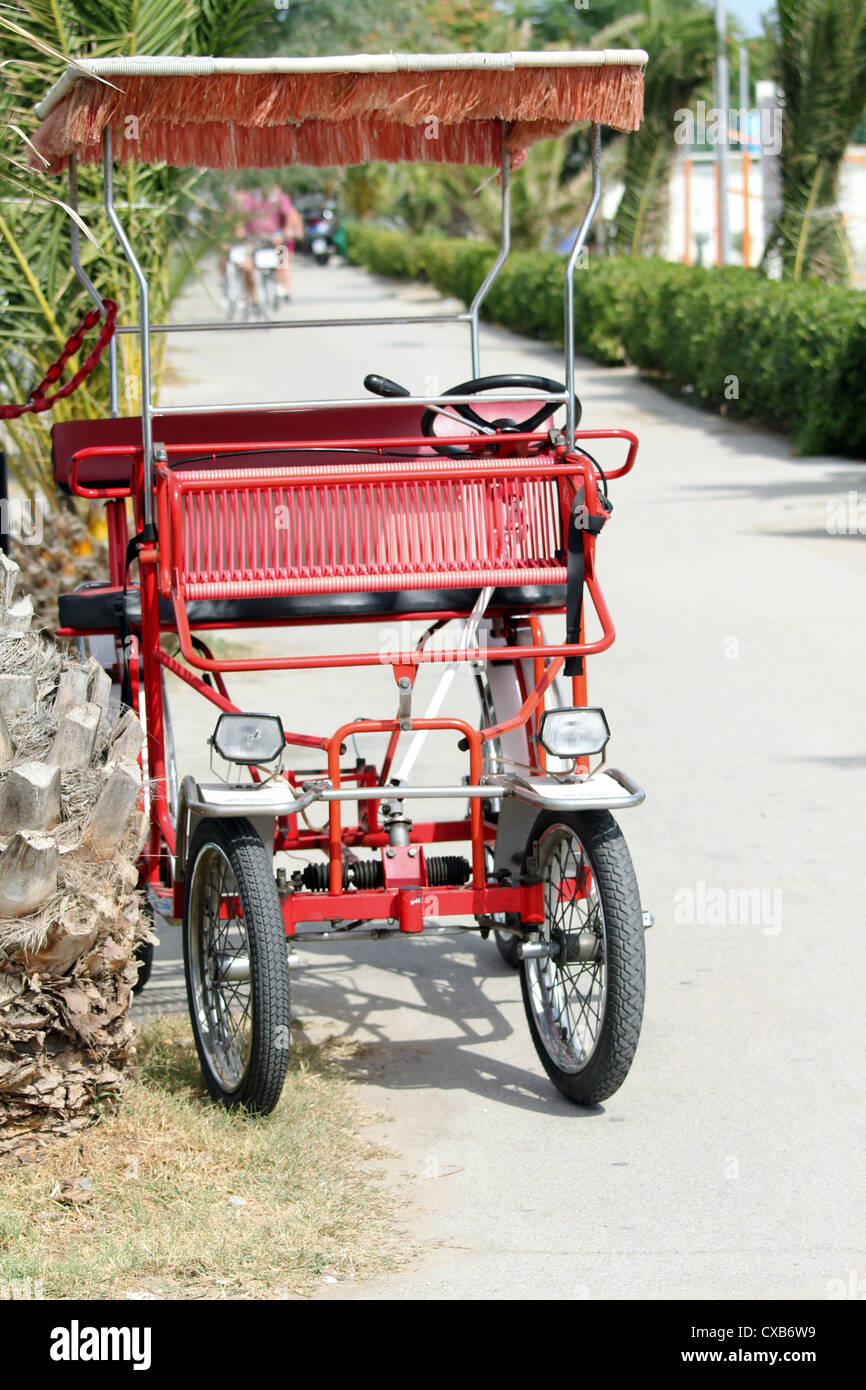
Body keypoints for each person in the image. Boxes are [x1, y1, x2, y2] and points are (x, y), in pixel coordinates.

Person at [236, 183, 303, 300]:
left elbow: (290, 213)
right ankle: (252, 300)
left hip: (275, 236)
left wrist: (289, 229)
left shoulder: (280, 197)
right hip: (254, 238)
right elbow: (242, 216)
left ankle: (284, 287)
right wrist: (240, 229)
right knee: (247, 266)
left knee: (283, 259)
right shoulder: (251, 197)